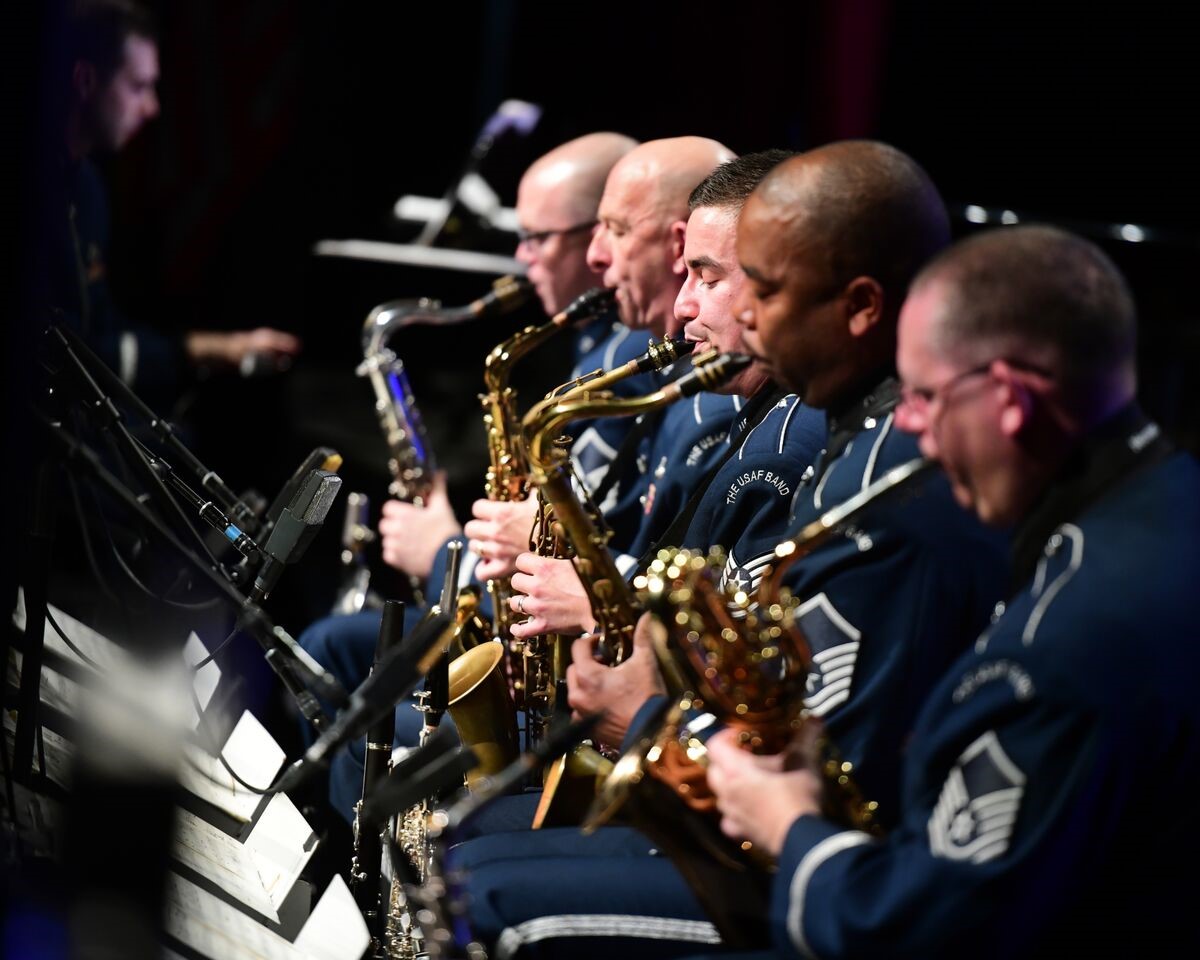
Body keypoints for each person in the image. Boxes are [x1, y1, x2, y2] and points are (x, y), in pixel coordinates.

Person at [454, 142, 1006, 960]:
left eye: (759, 286)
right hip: (781, 841)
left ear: (860, 305)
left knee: (479, 892)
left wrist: (644, 712)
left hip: (828, 891)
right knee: (463, 855)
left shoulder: (879, 484)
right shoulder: (841, 442)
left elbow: (823, 779)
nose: (725, 315)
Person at [705, 224, 1200, 959]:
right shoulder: (1172, 493)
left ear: (1007, 398)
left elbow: (919, 933)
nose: (910, 427)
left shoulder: (1055, 652)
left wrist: (787, 825)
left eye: (925, 396)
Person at [55, 0, 300, 403]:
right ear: (85, 81)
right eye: (138, 87)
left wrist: (222, 348)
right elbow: (81, 355)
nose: (152, 108)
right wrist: (209, 351)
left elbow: (99, 335)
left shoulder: (87, 186)